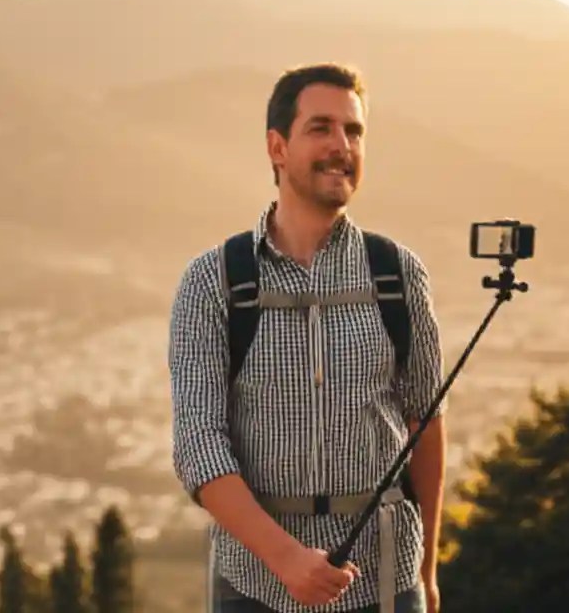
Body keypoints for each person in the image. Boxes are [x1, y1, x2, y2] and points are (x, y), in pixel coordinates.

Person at [167, 63, 447, 613]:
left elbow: (425, 422)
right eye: (321, 128)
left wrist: (428, 569)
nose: (342, 145)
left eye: (354, 131)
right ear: (277, 147)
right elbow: (199, 446)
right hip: (257, 588)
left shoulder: (398, 274)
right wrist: (287, 559)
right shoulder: (213, 282)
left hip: (386, 584)